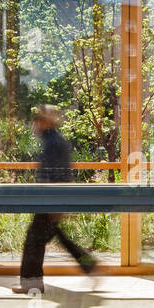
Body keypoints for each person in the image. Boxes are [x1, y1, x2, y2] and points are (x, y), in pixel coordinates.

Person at [13, 105, 97, 294]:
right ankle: (89, 265)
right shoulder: (53, 141)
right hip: (51, 200)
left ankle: (32, 282)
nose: (35, 124)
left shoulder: (53, 143)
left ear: (46, 122)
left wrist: (53, 203)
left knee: (34, 240)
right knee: (58, 238)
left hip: (49, 200)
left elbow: (57, 174)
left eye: (38, 120)